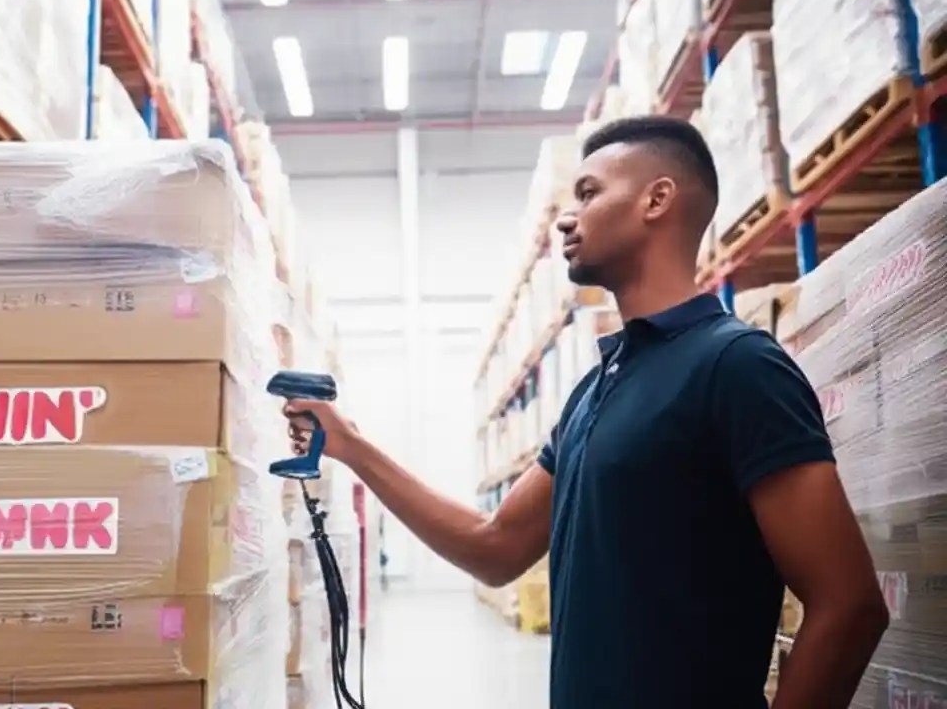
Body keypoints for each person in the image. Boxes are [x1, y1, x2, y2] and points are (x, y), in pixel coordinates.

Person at [284, 116, 889, 708]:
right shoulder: (595, 390)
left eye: (589, 193)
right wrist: (352, 446)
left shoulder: (737, 366)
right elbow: (495, 547)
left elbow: (849, 605)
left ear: (657, 200)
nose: (566, 218)